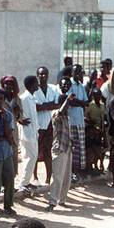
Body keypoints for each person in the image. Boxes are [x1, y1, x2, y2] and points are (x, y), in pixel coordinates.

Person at [46, 78, 74, 211]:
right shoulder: (56, 113)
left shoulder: (67, 116)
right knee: (57, 176)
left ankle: (62, 199)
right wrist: (67, 100)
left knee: (66, 177)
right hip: (59, 148)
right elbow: (60, 112)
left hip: (67, 148)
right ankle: (52, 201)